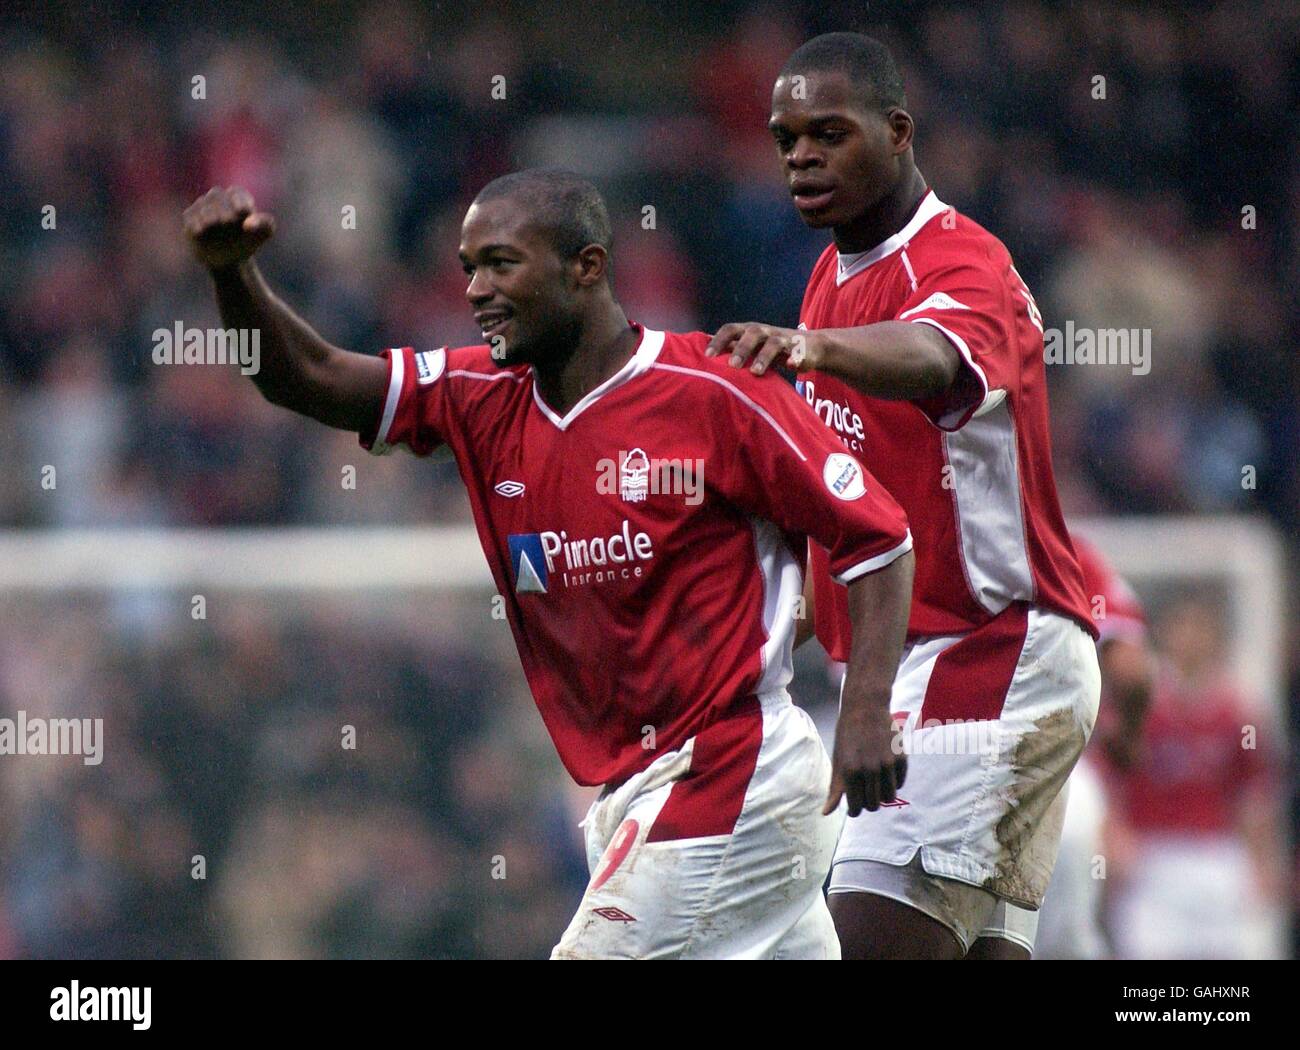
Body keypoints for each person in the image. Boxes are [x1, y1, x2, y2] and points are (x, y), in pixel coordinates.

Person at [183, 169, 916, 959]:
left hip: (733, 777)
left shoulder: (714, 389)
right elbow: (312, 377)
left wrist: (868, 708)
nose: (477, 288)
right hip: (637, 797)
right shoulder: (476, 395)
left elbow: (877, 536)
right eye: (468, 267)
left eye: (501, 263)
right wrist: (233, 275)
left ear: (586, 267)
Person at [709, 33, 1100, 960]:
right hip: (951, 660)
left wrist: (815, 351)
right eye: (786, 137)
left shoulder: (962, 263)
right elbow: (858, 498)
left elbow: (932, 356)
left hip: (989, 655)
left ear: (897, 132)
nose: (802, 155)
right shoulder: (826, 277)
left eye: (830, 133)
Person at [1034, 533, 1154, 959]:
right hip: (1056, 771)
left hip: (924, 757)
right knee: (1062, 938)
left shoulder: (910, 535)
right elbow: (1131, 671)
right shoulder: (1062, 546)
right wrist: (1125, 744)